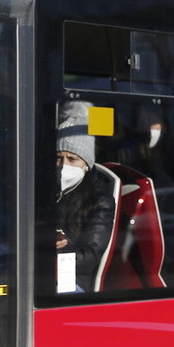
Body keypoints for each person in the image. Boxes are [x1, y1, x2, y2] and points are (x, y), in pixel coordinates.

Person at [54, 116, 116, 293]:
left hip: (72, 281)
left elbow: (91, 254)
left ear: (86, 165)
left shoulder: (100, 200)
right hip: (37, 274)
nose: (63, 165)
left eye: (72, 159)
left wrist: (51, 254)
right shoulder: (46, 189)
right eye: (58, 158)